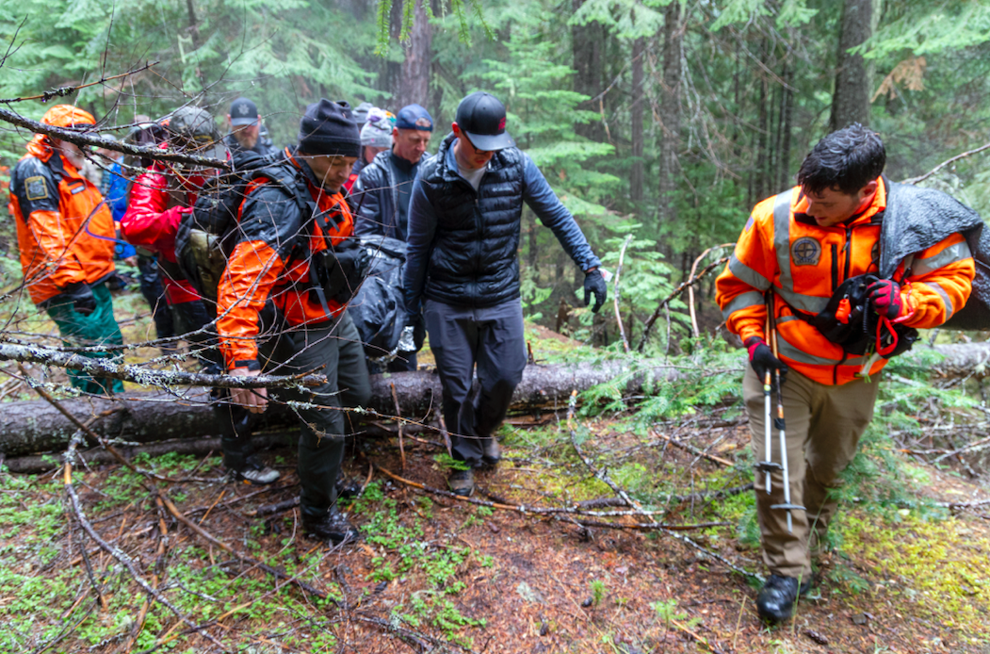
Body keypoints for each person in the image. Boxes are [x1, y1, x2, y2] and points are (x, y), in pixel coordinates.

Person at [715, 124, 976, 624]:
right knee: (776, 470)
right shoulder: (774, 217)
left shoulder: (912, 221)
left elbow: (953, 284)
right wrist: (752, 339)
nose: (811, 208)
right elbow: (738, 286)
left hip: (857, 373)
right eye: (809, 194)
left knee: (827, 471)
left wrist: (907, 303)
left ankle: (806, 543)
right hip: (782, 364)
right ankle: (786, 572)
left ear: (865, 190)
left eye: (827, 202)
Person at [404, 91, 608, 496]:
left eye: (495, 147)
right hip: (447, 295)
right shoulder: (431, 178)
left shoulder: (515, 166)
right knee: (457, 385)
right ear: (457, 132)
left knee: (506, 375)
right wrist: (411, 310)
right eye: (480, 147)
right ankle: (462, 458)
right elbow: (417, 247)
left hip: (499, 292)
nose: (488, 156)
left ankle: (479, 433)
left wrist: (590, 265)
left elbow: (556, 215)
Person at [217, 98, 370, 543]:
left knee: (358, 394)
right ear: (310, 153)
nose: (346, 173)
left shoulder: (324, 182)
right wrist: (242, 364)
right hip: (298, 326)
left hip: (334, 316)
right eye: (337, 162)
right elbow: (240, 284)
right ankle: (318, 513)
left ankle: (326, 473)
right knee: (326, 427)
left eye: (350, 162)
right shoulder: (277, 201)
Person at [121, 106, 280, 486]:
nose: (198, 160)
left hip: (231, 282)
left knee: (252, 355)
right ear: (175, 145)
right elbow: (133, 226)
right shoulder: (154, 178)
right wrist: (184, 218)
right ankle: (239, 457)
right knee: (220, 370)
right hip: (185, 289)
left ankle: (261, 430)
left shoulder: (225, 162)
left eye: (204, 149)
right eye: (191, 149)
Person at [8, 104, 124, 395]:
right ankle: (95, 417)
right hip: (66, 286)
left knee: (112, 345)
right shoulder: (35, 169)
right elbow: (47, 234)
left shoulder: (70, 170)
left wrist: (105, 269)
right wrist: (73, 283)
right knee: (91, 354)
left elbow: (82, 227)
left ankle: (120, 408)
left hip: (90, 277)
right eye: (80, 139)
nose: (87, 146)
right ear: (57, 138)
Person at [351, 104, 434, 372]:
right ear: (396, 135)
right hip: (382, 278)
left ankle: (407, 402)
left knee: (410, 344)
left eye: (425, 141)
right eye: (415, 141)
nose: (421, 147)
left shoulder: (433, 171)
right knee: (377, 344)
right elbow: (364, 235)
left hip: (425, 274)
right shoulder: (373, 176)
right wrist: (408, 255)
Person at [345, 107, 394, 193]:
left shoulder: (394, 177)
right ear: (363, 149)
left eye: (385, 152)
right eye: (374, 150)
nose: (379, 156)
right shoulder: (349, 175)